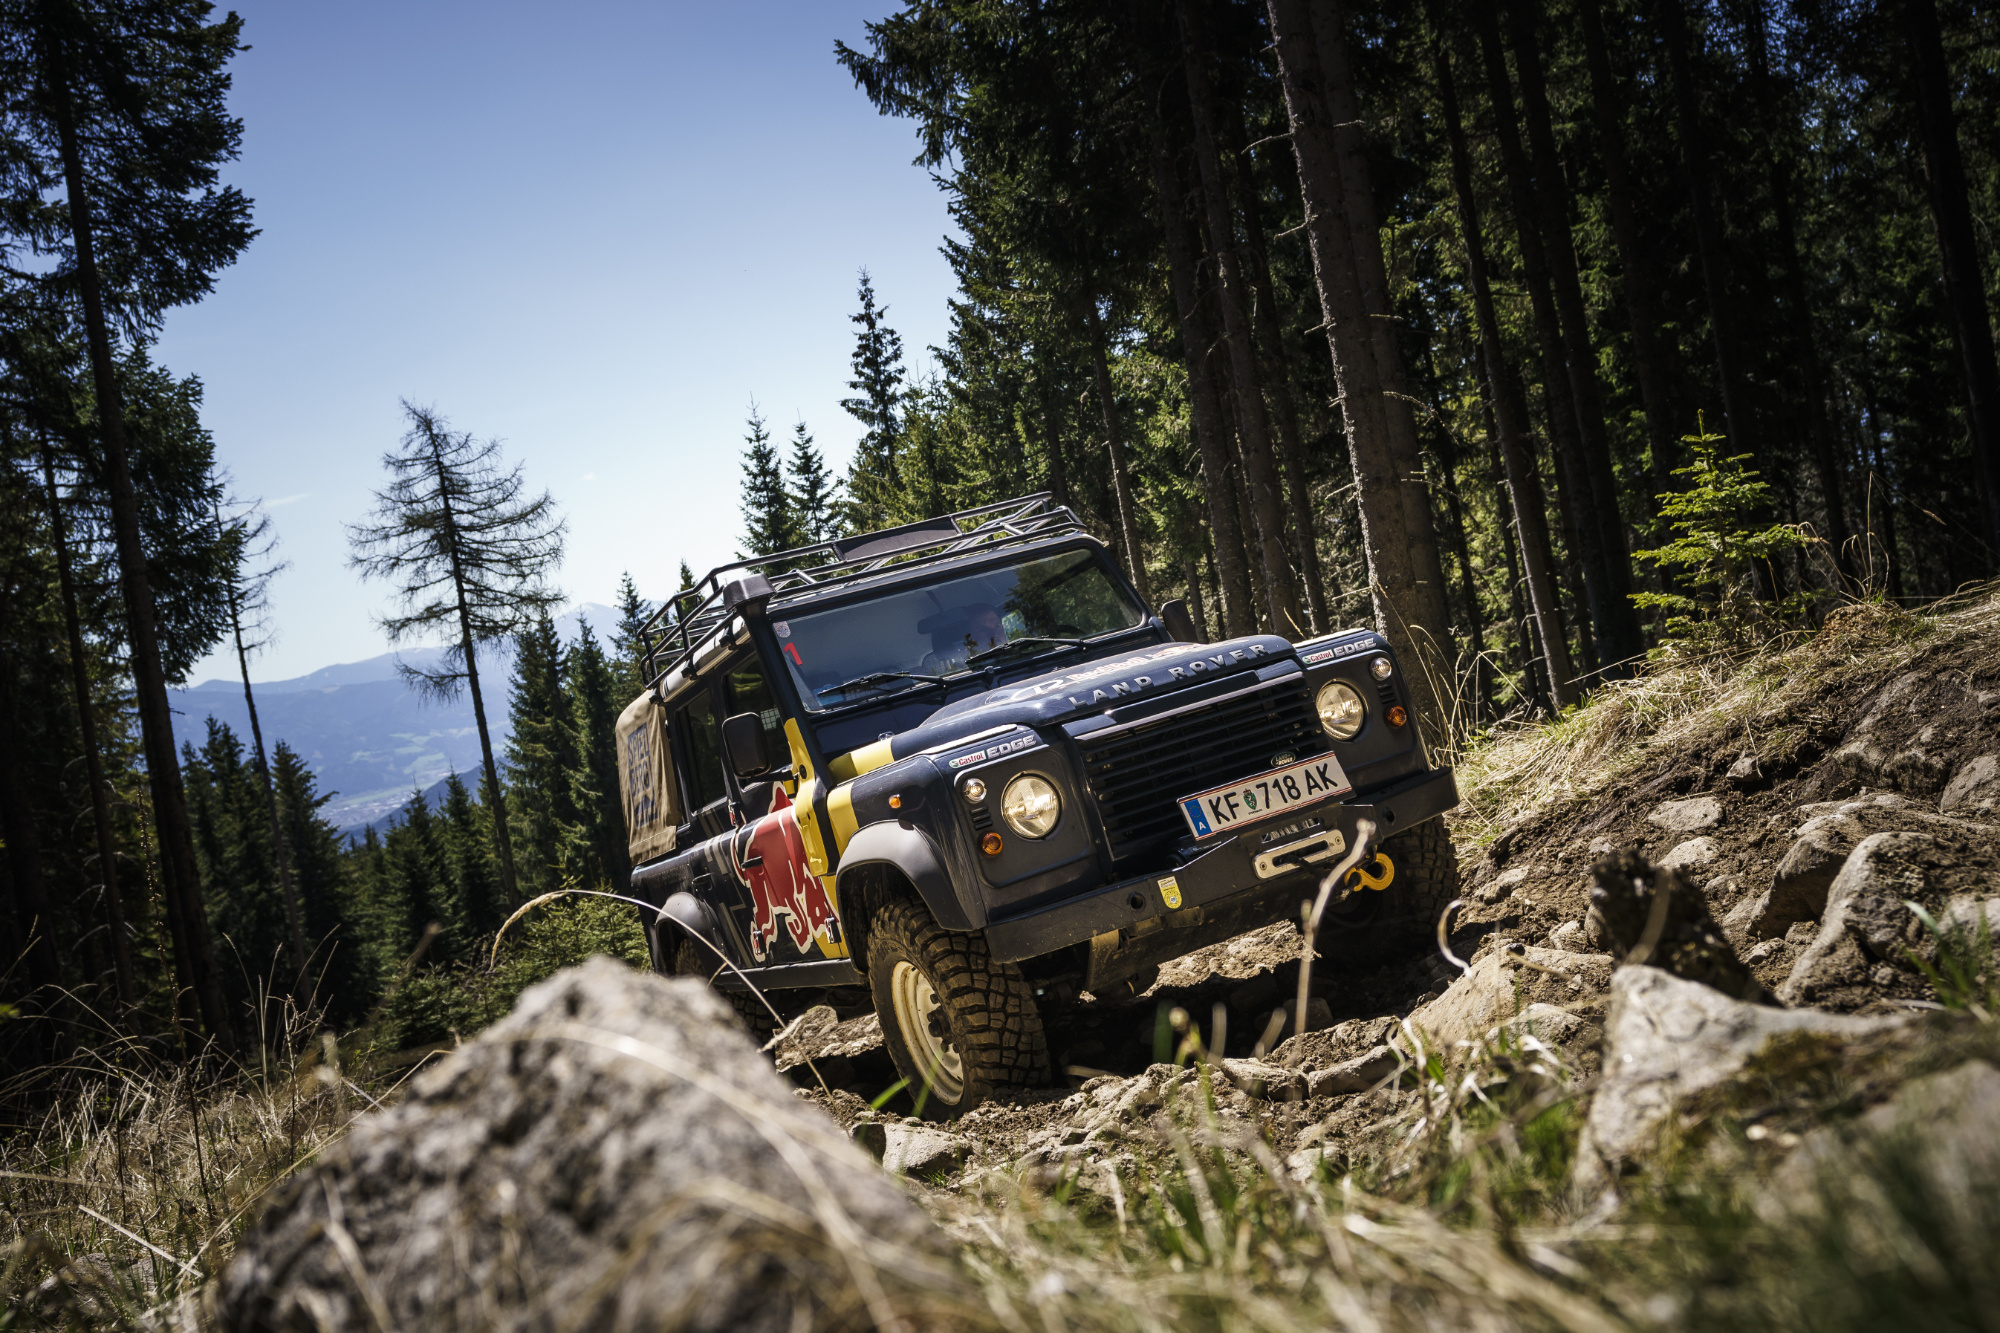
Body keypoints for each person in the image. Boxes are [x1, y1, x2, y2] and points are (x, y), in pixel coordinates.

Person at [920, 602, 1007, 674]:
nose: (994, 634)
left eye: (997, 627)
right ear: (969, 639)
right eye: (983, 630)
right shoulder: (961, 674)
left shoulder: (1015, 663)